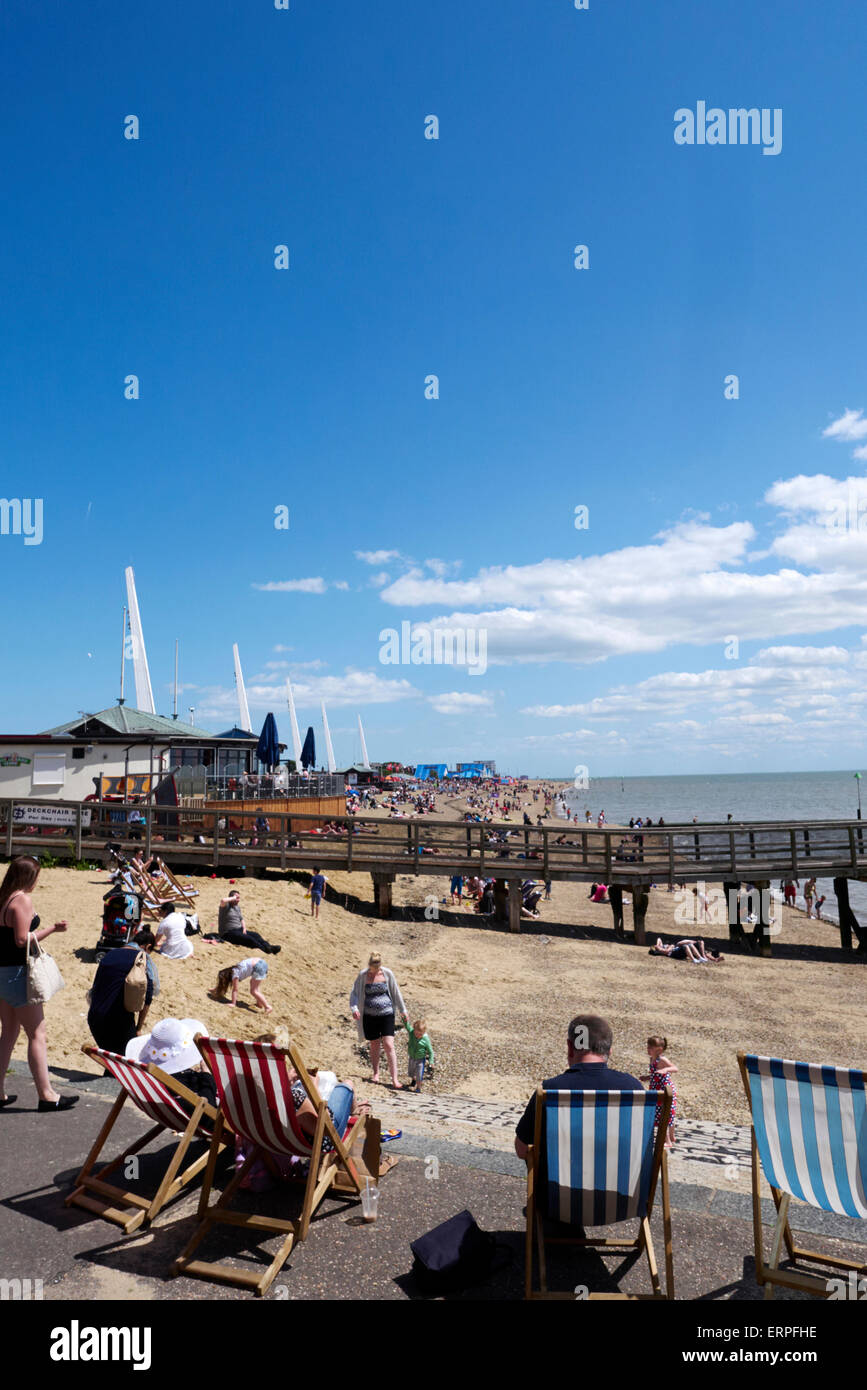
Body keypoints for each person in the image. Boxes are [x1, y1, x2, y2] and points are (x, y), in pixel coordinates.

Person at [0, 856, 77, 1112]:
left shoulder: (3, 898)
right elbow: (21, 940)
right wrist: (53, 929)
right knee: (37, 1034)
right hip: (18, 974)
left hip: (2, 972)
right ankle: (47, 1095)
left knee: (9, 1033)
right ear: (29, 877)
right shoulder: (21, 899)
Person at [515, 1015, 643, 1162]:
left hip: (559, 1177)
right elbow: (643, 1146)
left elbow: (522, 1149)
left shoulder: (550, 1090)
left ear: (570, 1047)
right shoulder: (634, 1089)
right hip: (620, 1176)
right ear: (609, 1051)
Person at [88, 929, 160, 1054]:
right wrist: (138, 1028)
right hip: (119, 1021)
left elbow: (95, 987)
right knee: (126, 1057)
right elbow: (148, 997)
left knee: (111, 1058)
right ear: (148, 946)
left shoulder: (110, 954)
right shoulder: (142, 959)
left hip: (95, 1018)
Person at [125, 1017, 217, 1114]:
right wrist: (207, 1074)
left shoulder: (153, 1083)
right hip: (204, 1116)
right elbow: (206, 1111)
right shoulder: (176, 1087)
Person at [349, 952, 408, 1089]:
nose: (375, 971)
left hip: (387, 1014)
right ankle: (376, 1073)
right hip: (369, 1016)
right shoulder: (363, 975)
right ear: (369, 965)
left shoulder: (387, 974)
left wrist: (403, 1010)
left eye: (377, 968)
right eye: (373, 968)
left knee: (389, 1045)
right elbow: (354, 993)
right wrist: (354, 1008)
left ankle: (395, 1079)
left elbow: (396, 992)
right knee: (374, 1044)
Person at [640, 1034, 678, 1148]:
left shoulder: (662, 1059)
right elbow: (655, 1074)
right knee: (666, 1113)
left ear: (659, 1049)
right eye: (647, 1047)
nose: (648, 1049)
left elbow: (675, 1068)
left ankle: (667, 1141)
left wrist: (666, 1069)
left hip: (665, 1090)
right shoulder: (652, 1059)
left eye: (650, 1048)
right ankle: (672, 1137)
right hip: (657, 1089)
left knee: (662, 1115)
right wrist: (647, 1077)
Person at [217, 890, 281, 954]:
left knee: (256, 935)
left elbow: (241, 919)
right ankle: (264, 949)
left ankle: (269, 946)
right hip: (228, 933)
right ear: (231, 898)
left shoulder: (237, 907)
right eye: (237, 898)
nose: (238, 900)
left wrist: (244, 928)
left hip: (239, 929)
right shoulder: (225, 906)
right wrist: (233, 898)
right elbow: (223, 900)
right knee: (249, 939)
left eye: (239, 898)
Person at [402, 1016, 434, 1093]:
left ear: (424, 1033)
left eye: (420, 1034)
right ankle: (414, 1080)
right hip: (412, 1057)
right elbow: (407, 1026)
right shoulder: (412, 1033)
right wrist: (404, 1019)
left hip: (420, 1059)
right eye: (416, 1033)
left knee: (419, 1074)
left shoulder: (425, 1039)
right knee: (411, 1072)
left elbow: (431, 1052)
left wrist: (431, 1061)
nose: (417, 1036)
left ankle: (418, 1088)